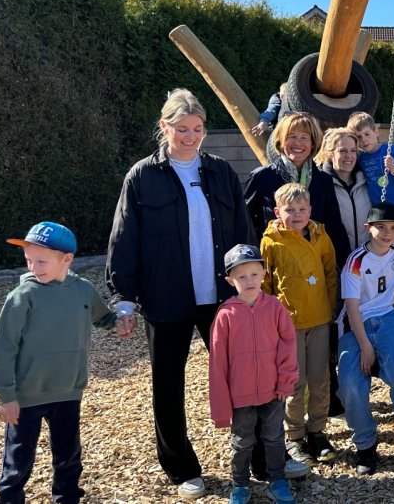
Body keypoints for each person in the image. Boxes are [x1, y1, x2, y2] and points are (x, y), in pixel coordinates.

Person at [106, 89, 306, 499]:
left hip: (221, 296)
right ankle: (181, 468)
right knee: (168, 383)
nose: (190, 137)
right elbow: (125, 239)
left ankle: (266, 461)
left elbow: (242, 235)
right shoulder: (142, 177)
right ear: (164, 128)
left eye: (197, 129)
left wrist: (252, 284)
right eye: (182, 129)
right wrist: (123, 297)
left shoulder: (219, 172)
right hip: (166, 297)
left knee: (252, 375)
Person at [0, 222, 133, 504]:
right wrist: (6, 396)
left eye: (41, 261)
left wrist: (118, 323)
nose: (33, 267)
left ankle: (67, 497)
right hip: (26, 396)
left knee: (68, 455)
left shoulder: (83, 290)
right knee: (18, 460)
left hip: (68, 391)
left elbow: (102, 317)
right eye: (29, 260)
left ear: (67, 260)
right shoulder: (22, 297)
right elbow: (3, 348)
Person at [336, 203, 394, 476]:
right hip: (357, 323)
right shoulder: (356, 261)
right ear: (368, 228)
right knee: (350, 382)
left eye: (393, 228)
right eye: (381, 228)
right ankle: (365, 443)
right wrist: (365, 346)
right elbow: (351, 308)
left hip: (390, 315)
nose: (387, 233)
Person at [209, 245, 298, 504]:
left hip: (273, 391)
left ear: (264, 274)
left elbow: (288, 346)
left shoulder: (275, 308)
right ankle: (240, 485)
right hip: (240, 396)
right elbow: (217, 363)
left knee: (273, 437)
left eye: (254, 274)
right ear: (230, 281)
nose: (249, 281)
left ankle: (278, 482)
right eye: (241, 276)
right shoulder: (225, 315)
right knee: (241, 441)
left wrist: (285, 381)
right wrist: (221, 406)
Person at [259, 183, 340, 463]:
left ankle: (317, 431)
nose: (296, 215)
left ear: (310, 210)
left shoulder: (320, 236)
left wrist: (332, 309)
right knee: (294, 382)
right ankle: (294, 435)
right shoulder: (271, 241)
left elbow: (331, 273)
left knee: (320, 379)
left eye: (302, 209)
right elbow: (266, 284)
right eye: (289, 210)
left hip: (319, 320)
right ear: (277, 211)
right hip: (288, 324)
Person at [243, 111, 330, 248]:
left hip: (314, 262)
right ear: (281, 141)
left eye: (304, 138)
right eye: (292, 136)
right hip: (272, 261)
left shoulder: (323, 180)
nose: (298, 143)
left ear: (313, 143)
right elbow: (244, 222)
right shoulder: (261, 177)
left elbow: (334, 225)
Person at [315, 128, 372, 263]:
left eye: (353, 151)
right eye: (342, 151)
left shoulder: (367, 181)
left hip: (368, 260)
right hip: (334, 263)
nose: (349, 156)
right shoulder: (320, 183)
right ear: (330, 154)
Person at [348, 112, 394, 206]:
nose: (364, 140)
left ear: (376, 132)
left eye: (367, 134)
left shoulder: (390, 150)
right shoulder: (361, 158)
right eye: (359, 137)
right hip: (377, 208)